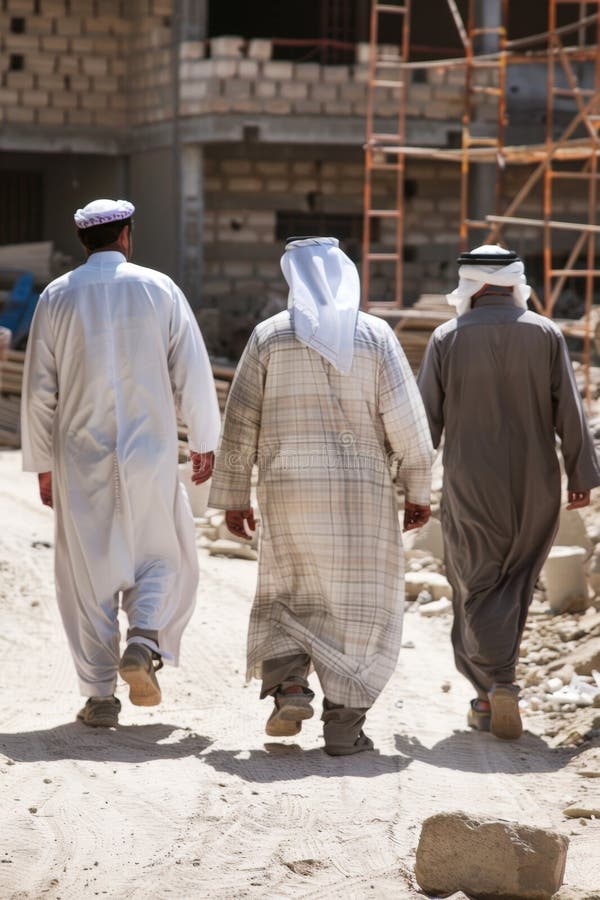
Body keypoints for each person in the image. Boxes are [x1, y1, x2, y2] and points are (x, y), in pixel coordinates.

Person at [209, 237, 433, 755]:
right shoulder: (375, 336)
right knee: (361, 603)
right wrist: (419, 487)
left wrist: (236, 496)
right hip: (363, 494)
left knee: (289, 591)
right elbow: (407, 425)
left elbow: (241, 421)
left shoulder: (269, 337)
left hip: (288, 491)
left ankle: (289, 688)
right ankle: (344, 721)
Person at [21, 198, 220, 727]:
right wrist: (204, 439)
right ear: (126, 235)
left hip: (80, 454)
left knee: (87, 574)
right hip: (151, 449)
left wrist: (42, 462)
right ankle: (143, 637)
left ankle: (100, 696)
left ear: (84, 241)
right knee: (161, 553)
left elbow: (41, 390)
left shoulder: (57, 296)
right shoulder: (159, 289)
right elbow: (192, 369)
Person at [417, 244, 600, 740]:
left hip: (470, 481)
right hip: (536, 482)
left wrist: (413, 486)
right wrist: (581, 477)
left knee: (475, 584)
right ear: (516, 282)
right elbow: (571, 414)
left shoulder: (445, 337)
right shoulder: (546, 333)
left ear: (469, 284)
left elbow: (424, 422)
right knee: (517, 581)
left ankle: (493, 684)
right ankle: (497, 687)